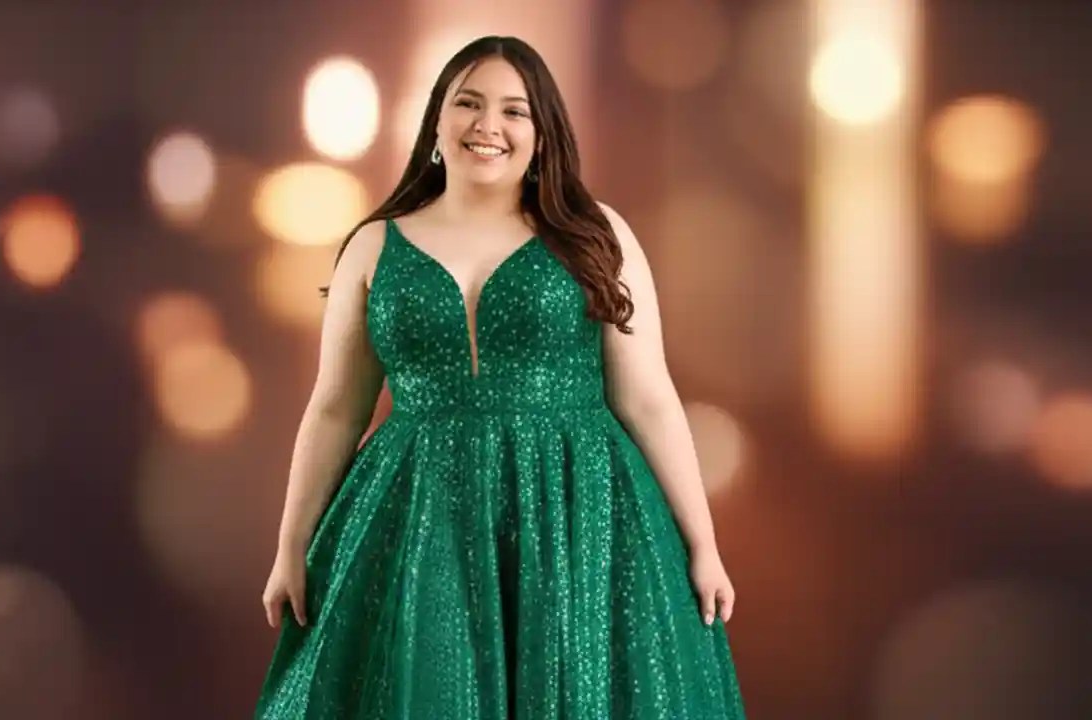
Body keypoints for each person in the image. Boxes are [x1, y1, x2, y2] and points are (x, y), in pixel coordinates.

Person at [254, 35, 746, 719]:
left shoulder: (597, 235)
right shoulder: (372, 244)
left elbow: (649, 400)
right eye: (469, 103)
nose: (489, 125)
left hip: (577, 512)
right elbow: (336, 408)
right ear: (436, 120)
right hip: (419, 516)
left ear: (542, 136)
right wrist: (290, 547)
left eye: (515, 111)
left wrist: (703, 544)